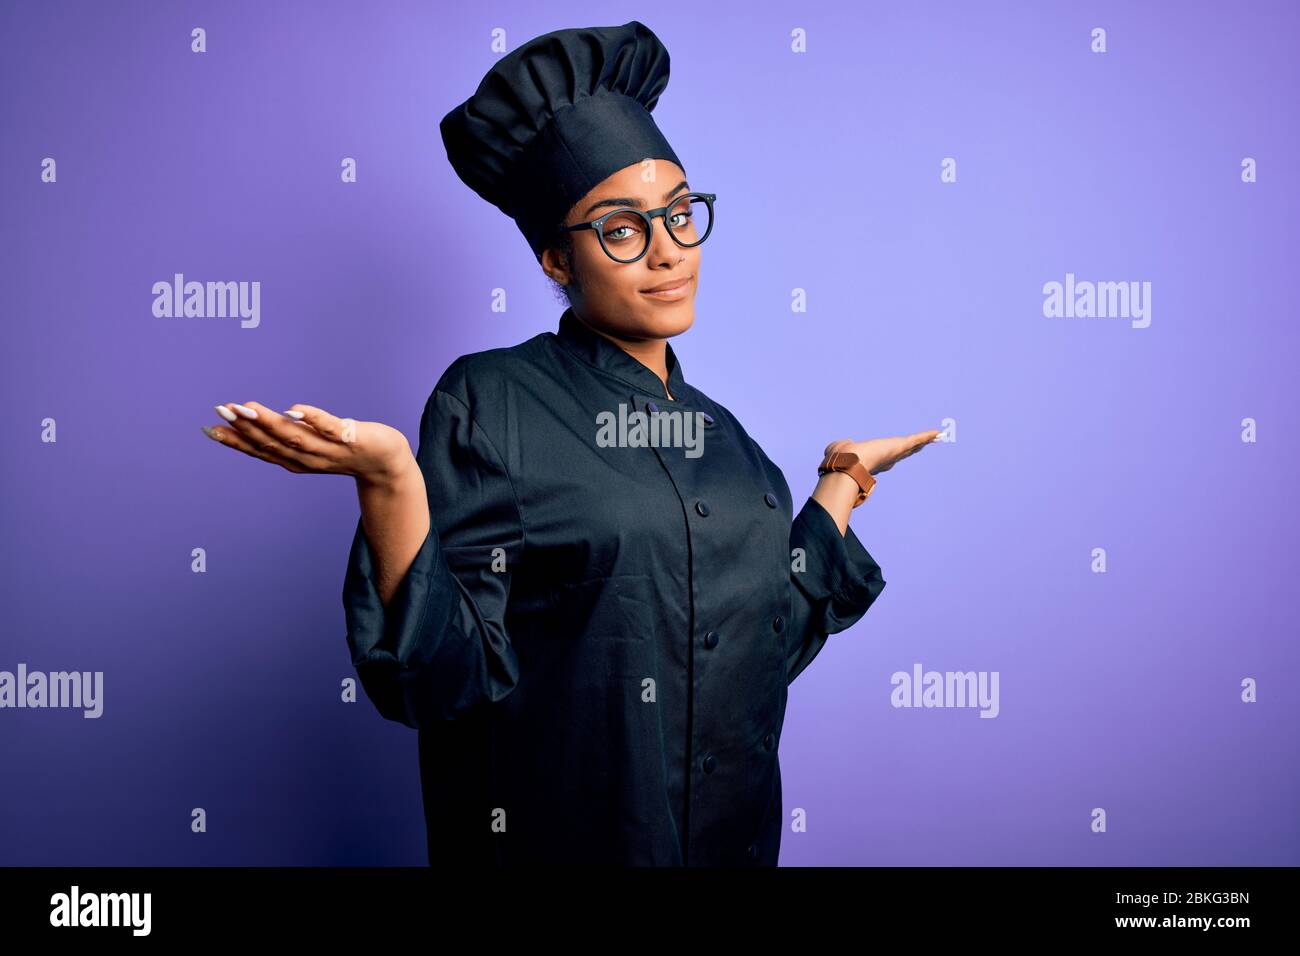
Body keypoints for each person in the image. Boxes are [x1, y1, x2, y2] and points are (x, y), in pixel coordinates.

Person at [201, 20, 940, 866]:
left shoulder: (731, 442)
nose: (668, 253)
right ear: (557, 258)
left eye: (680, 214)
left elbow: (761, 644)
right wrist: (392, 481)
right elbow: (439, 681)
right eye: (622, 229)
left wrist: (842, 481)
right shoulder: (492, 402)